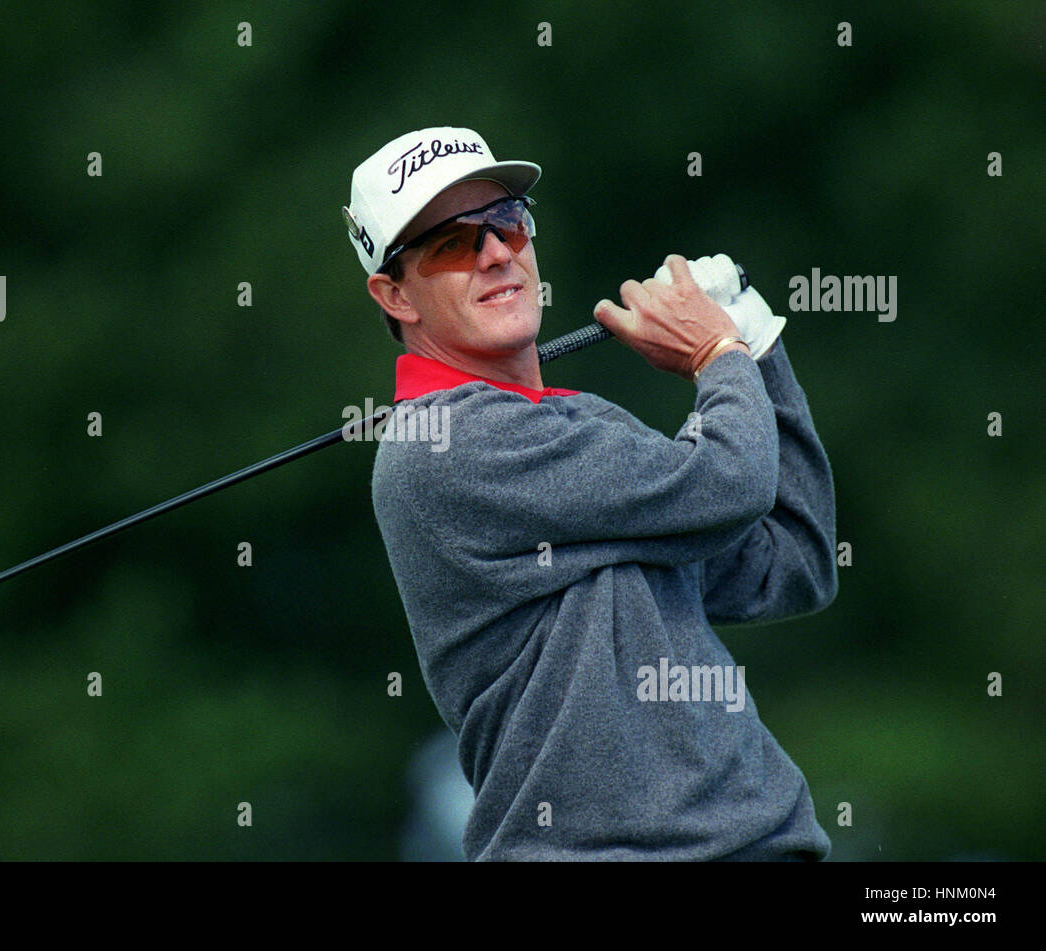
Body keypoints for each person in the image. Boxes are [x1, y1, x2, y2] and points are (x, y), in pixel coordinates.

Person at [344, 126, 837, 861]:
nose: (496, 253)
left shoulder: (583, 424)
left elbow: (791, 561)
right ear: (394, 294)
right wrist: (717, 353)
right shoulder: (444, 443)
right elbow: (729, 480)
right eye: (452, 244)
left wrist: (757, 344)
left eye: (507, 221)